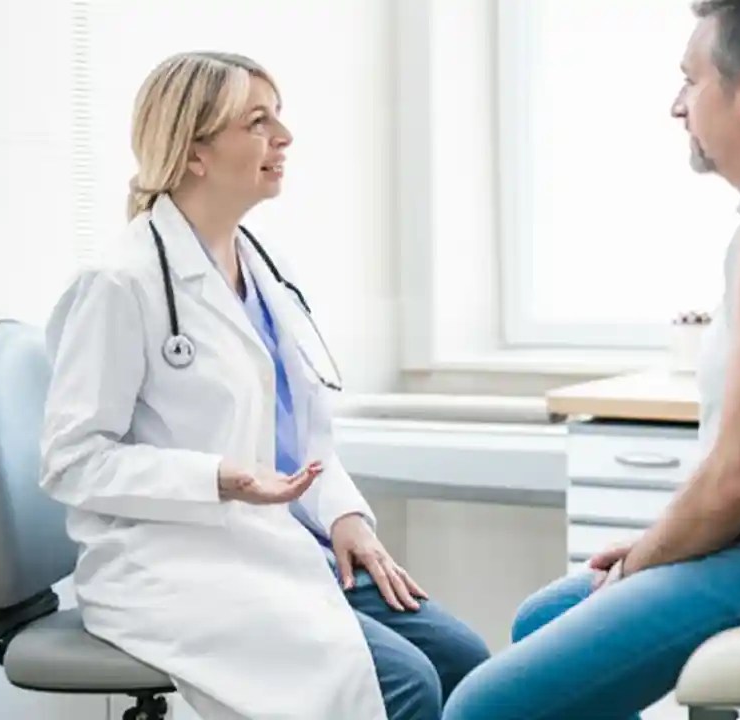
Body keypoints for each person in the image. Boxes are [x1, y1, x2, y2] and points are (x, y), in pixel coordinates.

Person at [442, 1, 740, 718]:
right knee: (543, 620)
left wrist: (645, 559)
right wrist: (653, 547)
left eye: (691, 80)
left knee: (479, 710)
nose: (677, 105)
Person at [39, 51, 488, 720]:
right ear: (196, 153)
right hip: (177, 561)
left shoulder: (261, 270)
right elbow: (72, 462)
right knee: (404, 686)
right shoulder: (121, 283)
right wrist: (220, 476)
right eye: (258, 121)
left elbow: (303, 437)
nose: (283, 137)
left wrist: (344, 515)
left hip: (283, 542)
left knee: (466, 665)